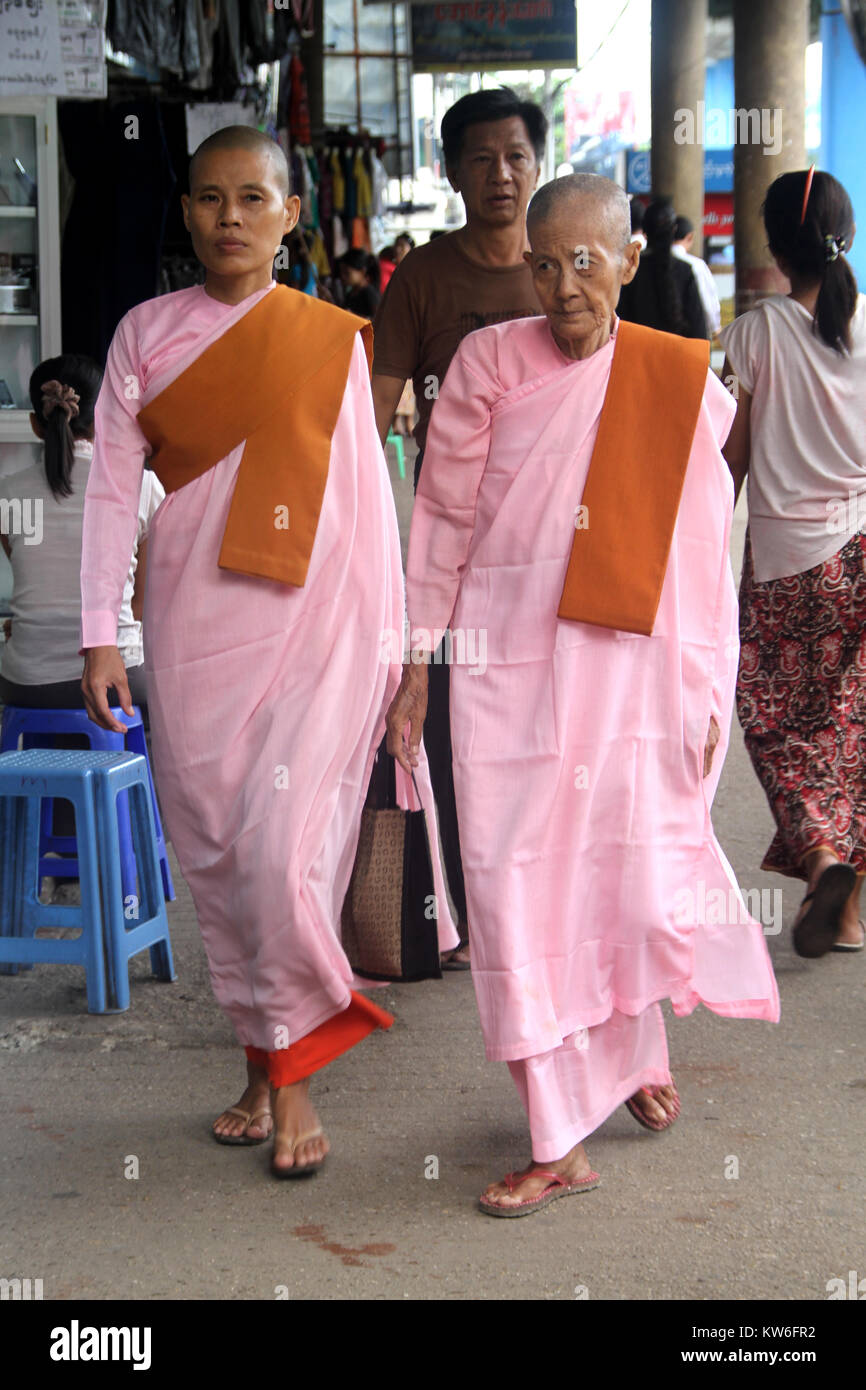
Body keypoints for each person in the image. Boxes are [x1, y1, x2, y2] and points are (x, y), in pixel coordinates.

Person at [386, 173, 779, 1218]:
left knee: (619, 875)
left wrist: (705, 698)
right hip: (505, 679)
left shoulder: (679, 384)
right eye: (544, 264)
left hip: (631, 679)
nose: (563, 285)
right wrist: (411, 664)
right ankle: (571, 1115)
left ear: (628, 262)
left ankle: (598, 1088)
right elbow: (440, 524)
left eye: (585, 262)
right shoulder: (483, 364)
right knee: (517, 893)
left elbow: (703, 560)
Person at [79, 126, 457, 1179]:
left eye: (253, 196)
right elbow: (112, 493)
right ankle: (263, 1059)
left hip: (317, 635)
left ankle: (291, 1086)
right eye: (208, 197)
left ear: (294, 214)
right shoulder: (143, 335)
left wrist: (399, 651)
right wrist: (101, 631)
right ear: (187, 211)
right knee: (223, 860)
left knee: (284, 855)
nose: (229, 216)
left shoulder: (333, 336)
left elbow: (365, 505)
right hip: (194, 634)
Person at [372, 86, 547, 968]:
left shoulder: (564, 269)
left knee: (548, 731)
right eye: (480, 158)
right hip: (456, 548)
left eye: (516, 156)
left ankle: (537, 907)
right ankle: (454, 912)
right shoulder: (426, 280)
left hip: (555, 546)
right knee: (449, 729)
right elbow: (374, 415)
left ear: (538, 164)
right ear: (451, 172)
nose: (501, 174)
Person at [719, 168, 865, 958]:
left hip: (787, 567)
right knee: (853, 729)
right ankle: (844, 916)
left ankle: (823, 860)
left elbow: (726, 467)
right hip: (865, 556)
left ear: (775, 247)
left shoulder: (754, 334)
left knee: (778, 725)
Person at [0, 354, 159, 713]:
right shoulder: (138, 486)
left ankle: (46, 769)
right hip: (120, 677)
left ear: (35, 425)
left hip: (27, 682)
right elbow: (140, 605)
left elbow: (36, 577)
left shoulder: (9, 494)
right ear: (103, 418)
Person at [618, 198, 708, 339]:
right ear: (674, 230)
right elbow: (698, 328)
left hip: (638, 354)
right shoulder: (684, 271)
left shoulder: (631, 270)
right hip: (677, 357)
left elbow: (620, 321)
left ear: (645, 231)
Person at [673, 214, 722, 337]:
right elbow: (707, 301)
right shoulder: (696, 265)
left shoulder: (653, 263)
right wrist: (715, 327)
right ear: (690, 237)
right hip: (694, 334)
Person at [337, 248, 380, 320]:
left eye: (347, 273)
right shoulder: (351, 293)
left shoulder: (370, 294)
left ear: (362, 271)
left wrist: (353, 316)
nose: (342, 276)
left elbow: (378, 320)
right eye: (341, 272)